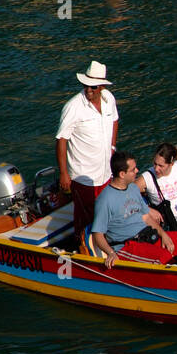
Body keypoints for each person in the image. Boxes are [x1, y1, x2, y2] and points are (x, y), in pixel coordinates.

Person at [90, 151, 177, 268]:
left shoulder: (133, 188)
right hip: (127, 246)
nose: (137, 171)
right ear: (122, 174)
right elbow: (98, 234)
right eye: (133, 169)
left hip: (147, 236)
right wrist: (110, 253)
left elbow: (146, 217)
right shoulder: (105, 199)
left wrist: (163, 234)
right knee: (163, 256)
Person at [56, 61, 119, 240]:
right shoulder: (73, 107)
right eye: (86, 85)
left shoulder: (109, 100)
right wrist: (63, 174)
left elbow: (115, 120)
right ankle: (82, 246)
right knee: (85, 217)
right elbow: (61, 140)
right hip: (83, 175)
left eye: (93, 86)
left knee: (105, 212)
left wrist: (112, 147)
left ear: (102, 87)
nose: (88, 90)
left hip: (105, 171)